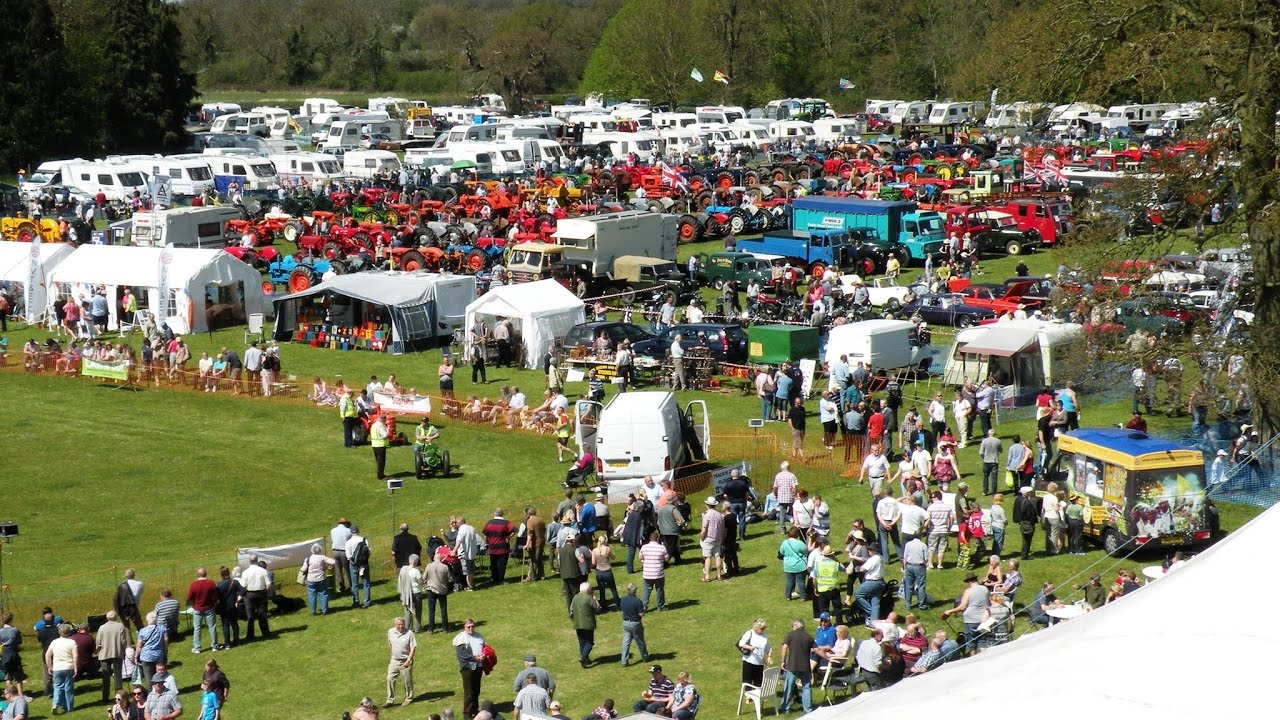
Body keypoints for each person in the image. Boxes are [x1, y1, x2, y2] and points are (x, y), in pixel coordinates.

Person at [95, 611, 131, 702]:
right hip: (117, 652)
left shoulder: (102, 627)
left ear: (107, 618)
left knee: (105, 676)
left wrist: (97, 650)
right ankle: (119, 696)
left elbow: (98, 642)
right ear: (115, 617)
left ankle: (105, 697)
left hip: (104, 653)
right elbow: (123, 641)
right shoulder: (120, 626)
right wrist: (123, 650)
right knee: (118, 675)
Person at [453, 619, 485, 719]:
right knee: (469, 691)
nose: (471, 628)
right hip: (468, 668)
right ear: (464, 627)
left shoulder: (478, 636)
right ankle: (467, 713)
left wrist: (484, 655)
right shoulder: (460, 639)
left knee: (477, 689)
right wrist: (475, 658)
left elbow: (484, 647)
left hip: (479, 667)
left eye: (472, 626)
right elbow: (462, 656)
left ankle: (475, 709)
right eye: (469, 627)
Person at [46, 623, 78, 714]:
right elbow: (75, 656)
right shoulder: (72, 642)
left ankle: (55, 704)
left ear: (59, 632)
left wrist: (49, 666)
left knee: (57, 687)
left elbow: (47, 655)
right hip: (68, 667)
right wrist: (75, 667)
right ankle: (69, 707)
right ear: (69, 632)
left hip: (57, 668)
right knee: (68, 688)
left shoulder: (54, 642)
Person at [239, 554, 272, 640]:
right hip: (261, 593)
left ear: (249, 561)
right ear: (257, 560)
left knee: (250, 616)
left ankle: (250, 635)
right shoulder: (263, 571)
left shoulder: (245, 572)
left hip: (249, 595)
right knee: (262, 614)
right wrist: (265, 591)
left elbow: (243, 586)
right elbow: (268, 584)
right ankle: (266, 634)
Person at [385, 617, 416, 707]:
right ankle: (390, 699)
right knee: (390, 679)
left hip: (405, 661)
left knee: (407, 680)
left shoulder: (409, 633)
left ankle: (408, 698)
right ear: (395, 625)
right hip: (394, 661)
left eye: (402, 624)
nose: (401, 626)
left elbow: (413, 648)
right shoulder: (391, 632)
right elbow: (390, 644)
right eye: (398, 625)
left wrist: (408, 660)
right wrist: (391, 656)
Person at [569, 581, 600, 667]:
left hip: (578, 624)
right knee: (590, 642)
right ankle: (583, 657)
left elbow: (571, 610)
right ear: (588, 590)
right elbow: (597, 609)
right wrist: (594, 598)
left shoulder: (575, 597)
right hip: (588, 624)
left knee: (582, 642)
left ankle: (586, 661)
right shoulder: (589, 598)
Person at [619, 582, 650, 667]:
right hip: (635, 623)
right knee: (640, 641)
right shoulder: (638, 601)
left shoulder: (623, 599)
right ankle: (645, 657)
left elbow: (621, 608)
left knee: (626, 642)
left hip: (625, 622)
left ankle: (624, 661)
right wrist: (644, 610)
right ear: (635, 591)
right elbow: (641, 614)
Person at [854, 544, 885, 623]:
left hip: (872, 582)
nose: (869, 551)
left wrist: (861, 566)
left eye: (870, 550)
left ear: (874, 550)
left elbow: (862, 569)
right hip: (880, 582)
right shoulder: (881, 557)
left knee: (858, 594)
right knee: (875, 602)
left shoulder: (873, 559)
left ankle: (869, 611)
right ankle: (874, 622)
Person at [424, 548, 452, 633]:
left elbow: (424, 577)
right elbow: (449, 578)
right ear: (441, 559)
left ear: (434, 558)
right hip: (442, 590)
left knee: (431, 610)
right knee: (443, 609)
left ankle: (431, 629)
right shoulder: (445, 567)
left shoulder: (429, 566)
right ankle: (445, 628)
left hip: (431, 589)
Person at [638, 533, 668, 611]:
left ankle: (644, 607)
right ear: (657, 539)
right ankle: (660, 606)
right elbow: (667, 559)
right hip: (658, 573)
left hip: (647, 573)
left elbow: (640, 557)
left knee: (646, 590)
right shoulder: (662, 548)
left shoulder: (644, 547)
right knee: (659, 590)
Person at [699, 495, 725, 582]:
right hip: (718, 538)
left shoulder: (706, 515)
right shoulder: (720, 515)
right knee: (717, 556)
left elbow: (704, 529)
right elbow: (722, 528)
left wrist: (701, 537)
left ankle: (707, 576)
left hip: (708, 539)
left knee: (707, 557)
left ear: (707, 505)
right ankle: (719, 575)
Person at [779, 527, 808, 601]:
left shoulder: (785, 543)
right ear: (797, 534)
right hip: (800, 565)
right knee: (800, 581)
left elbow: (781, 552)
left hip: (788, 565)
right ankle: (803, 597)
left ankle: (788, 596)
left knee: (789, 581)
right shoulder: (800, 543)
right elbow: (806, 552)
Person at [346, 527, 372, 608]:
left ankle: (356, 601)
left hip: (353, 564)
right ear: (358, 531)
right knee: (366, 583)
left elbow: (348, 556)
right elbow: (369, 551)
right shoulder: (364, 540)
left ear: (351, 532)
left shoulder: (348, 542)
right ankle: (367, 602)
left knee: (354, 584)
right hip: (364, 564)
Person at [397, 554, 424, 632]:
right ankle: (418, 628)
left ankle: (408, 627)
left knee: (408, 610)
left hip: (406, 593)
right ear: (416, 561)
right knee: (417, 611)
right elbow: (421, 582)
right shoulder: (416, 571)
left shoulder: (403, 569)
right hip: (416, 593)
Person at [1013, 485, 1038, 559]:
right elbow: (1031, 515)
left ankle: (1024, 553)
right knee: (1027, 540)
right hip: (1028, 523)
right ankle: (1025, 555)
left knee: (1025, 539)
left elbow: (1016, 510)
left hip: (1022, 522)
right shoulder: (1027, 502)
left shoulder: (1018, 499)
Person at [370, 413, 390, 480]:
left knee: (378, 461)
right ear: (383, 419)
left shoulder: (374, 425)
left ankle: (380, 474)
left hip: (374, 445)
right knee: (381, 461)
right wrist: (388, 430)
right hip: (380, 445)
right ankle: (380, 475)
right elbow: (384, 436)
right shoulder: (380, 426)